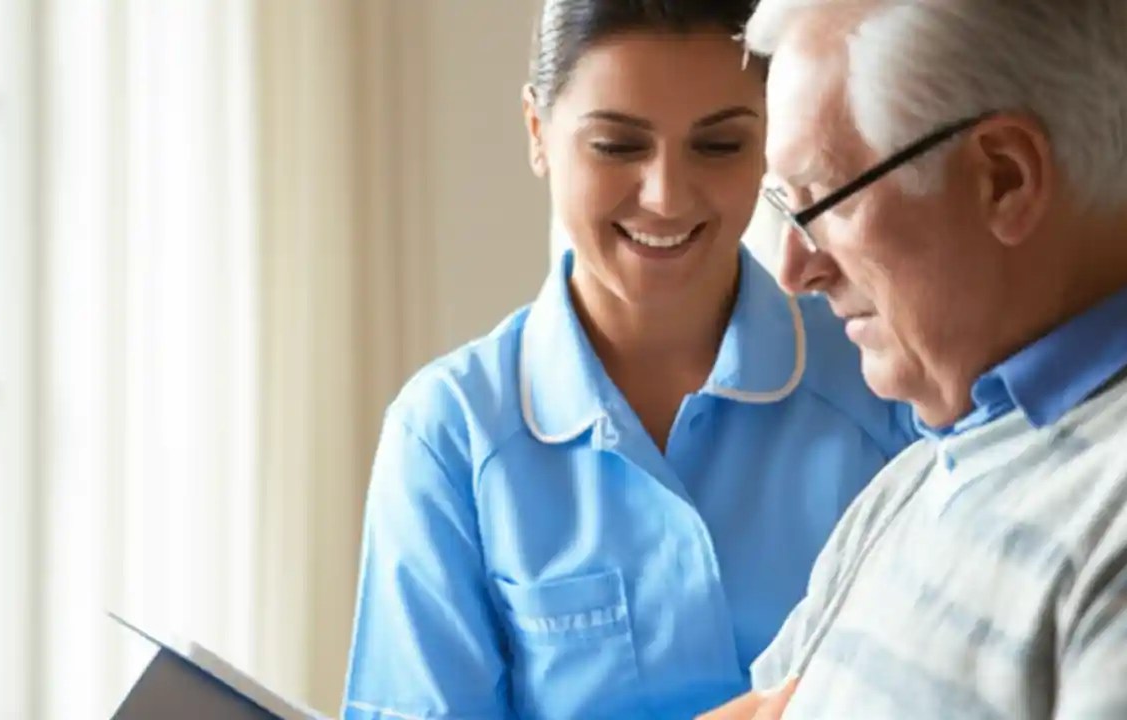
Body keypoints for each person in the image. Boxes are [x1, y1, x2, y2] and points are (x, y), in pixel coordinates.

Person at [342, 1, 916, 718]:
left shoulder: (890, 379)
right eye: (617, 146)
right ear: (537, 133)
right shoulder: (450, 437)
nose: (667, 196)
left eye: (719, 146)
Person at [705, 1, 1127, 718]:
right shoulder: (921, 473)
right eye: (788, 203)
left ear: (1006, 178)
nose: (795, 268)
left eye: (823, 201)